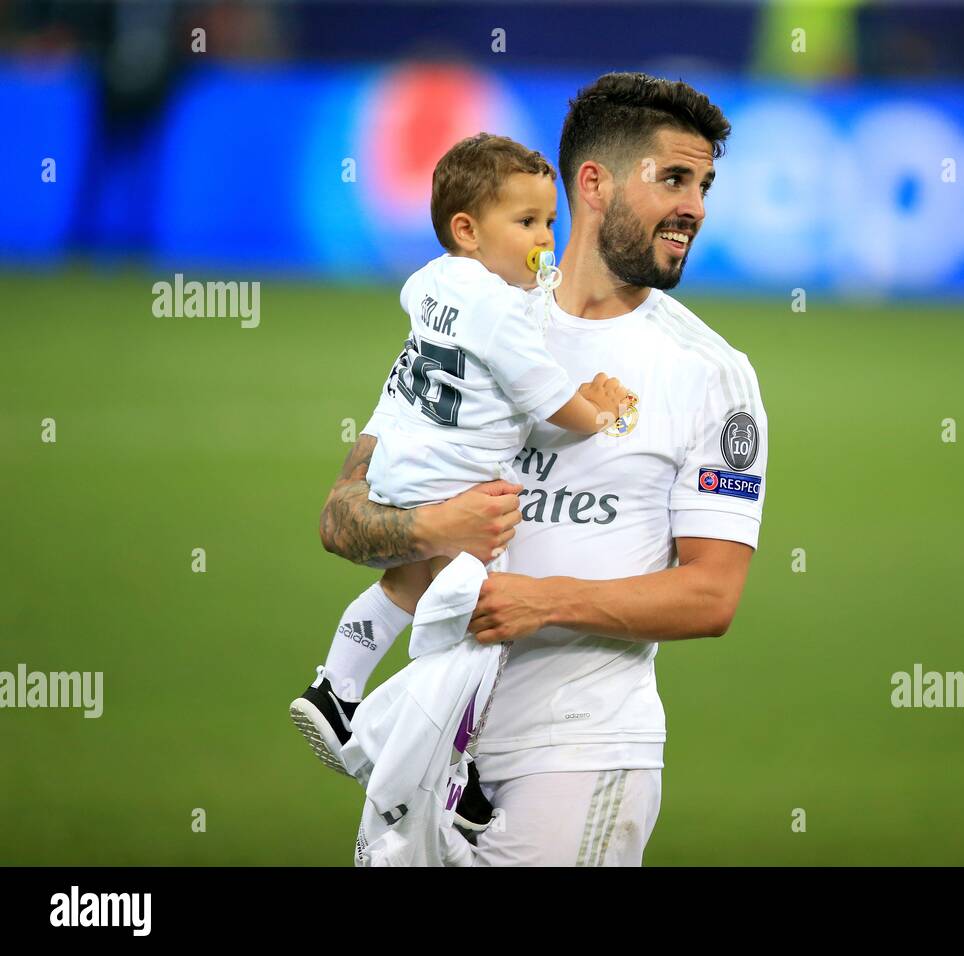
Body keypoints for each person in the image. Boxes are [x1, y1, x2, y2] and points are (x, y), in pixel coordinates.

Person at [320, 73, 768, 866]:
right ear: (592, 184)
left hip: (580, 752)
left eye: (703, 184)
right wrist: (431, 528)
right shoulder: (479, 322)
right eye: (673, 178)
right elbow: (344, 517)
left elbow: (712, 594)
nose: (695, 205)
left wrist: (541, 602)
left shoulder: (712, 373)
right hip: (435, 752)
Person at [292, 133, 632, 795]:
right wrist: (602, 410)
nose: (545, 239)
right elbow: (549, 402)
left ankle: (335, 689)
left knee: (406, 586)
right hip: (459, 486)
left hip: (402, 470)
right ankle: (450, 760)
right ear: (468, 230)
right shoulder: (501, 313)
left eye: (550, 222)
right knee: (483, 619)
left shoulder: (431, 280)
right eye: (527, 222)